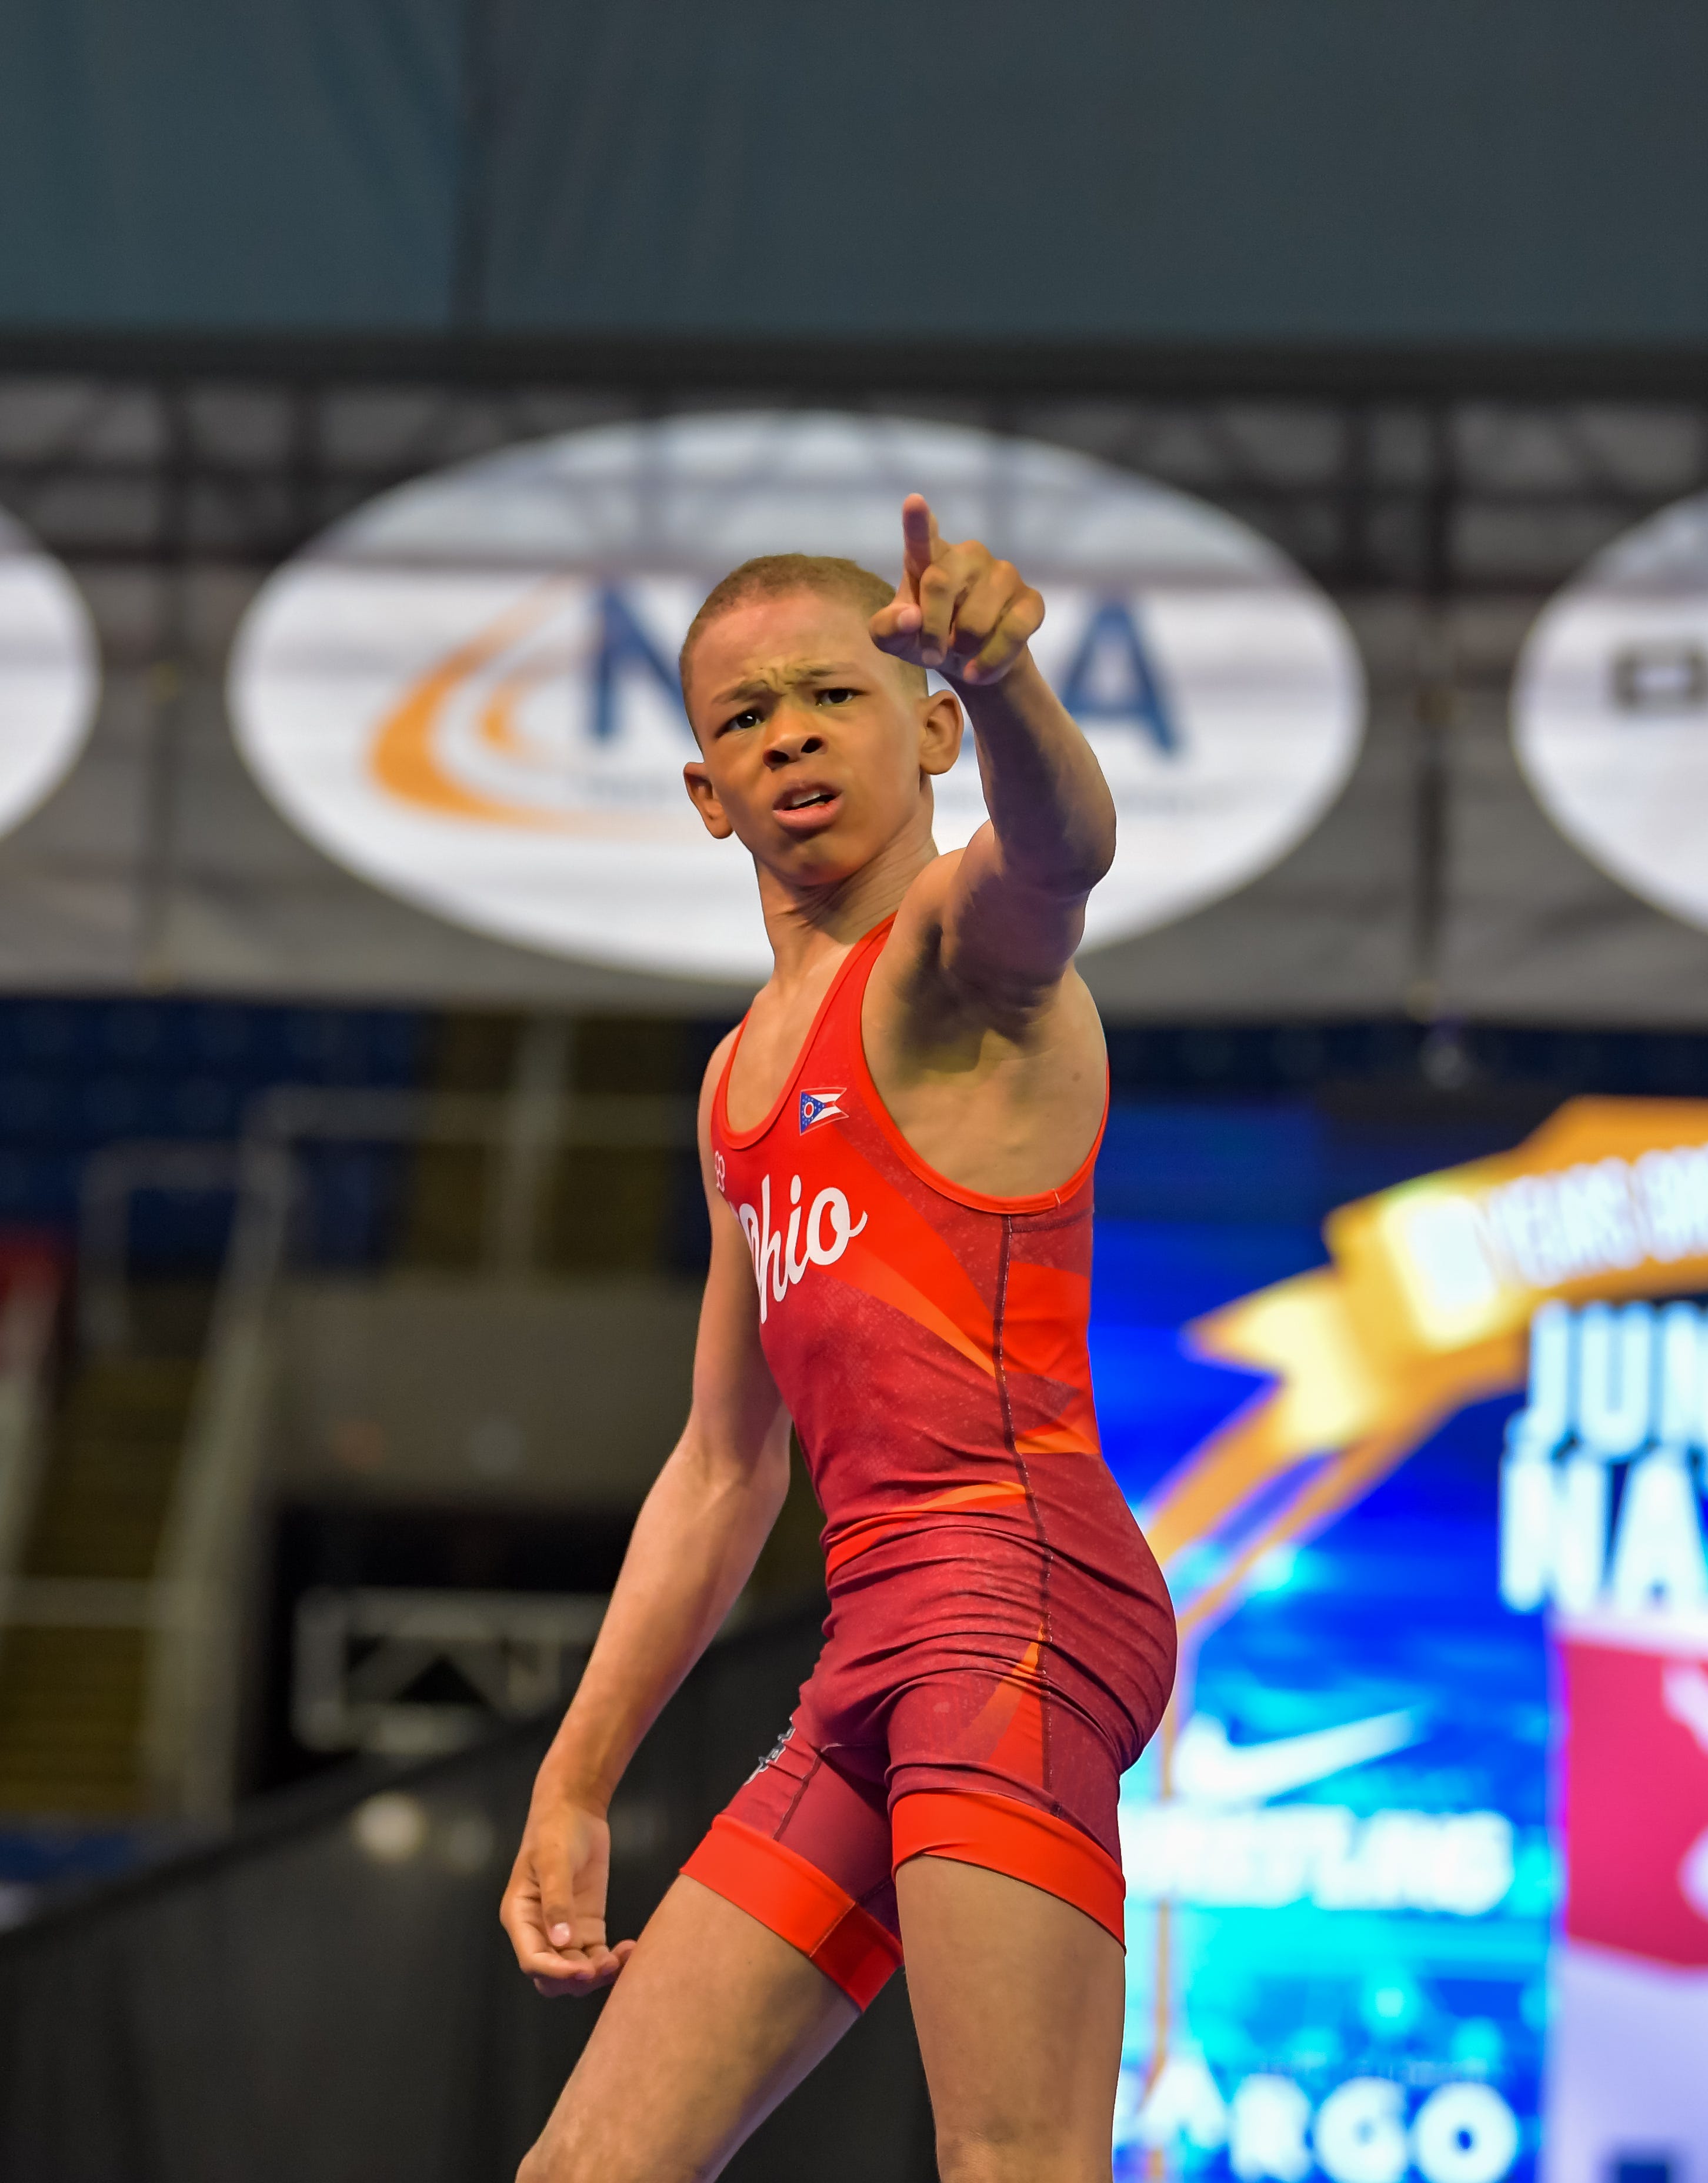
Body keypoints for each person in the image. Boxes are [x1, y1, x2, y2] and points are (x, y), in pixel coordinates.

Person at [501, 497, 1177, 2183]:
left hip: (1014, 1599)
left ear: (930, 724)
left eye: (835, 693)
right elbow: (726, 1466)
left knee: (1013, 2161)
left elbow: (1063, 855)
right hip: (875, 1649)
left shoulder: (959, 964)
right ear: (701, 791)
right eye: (744, 717)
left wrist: (1018, 678)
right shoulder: (738, 1081)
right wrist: (577, 1782)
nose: (789, 735)